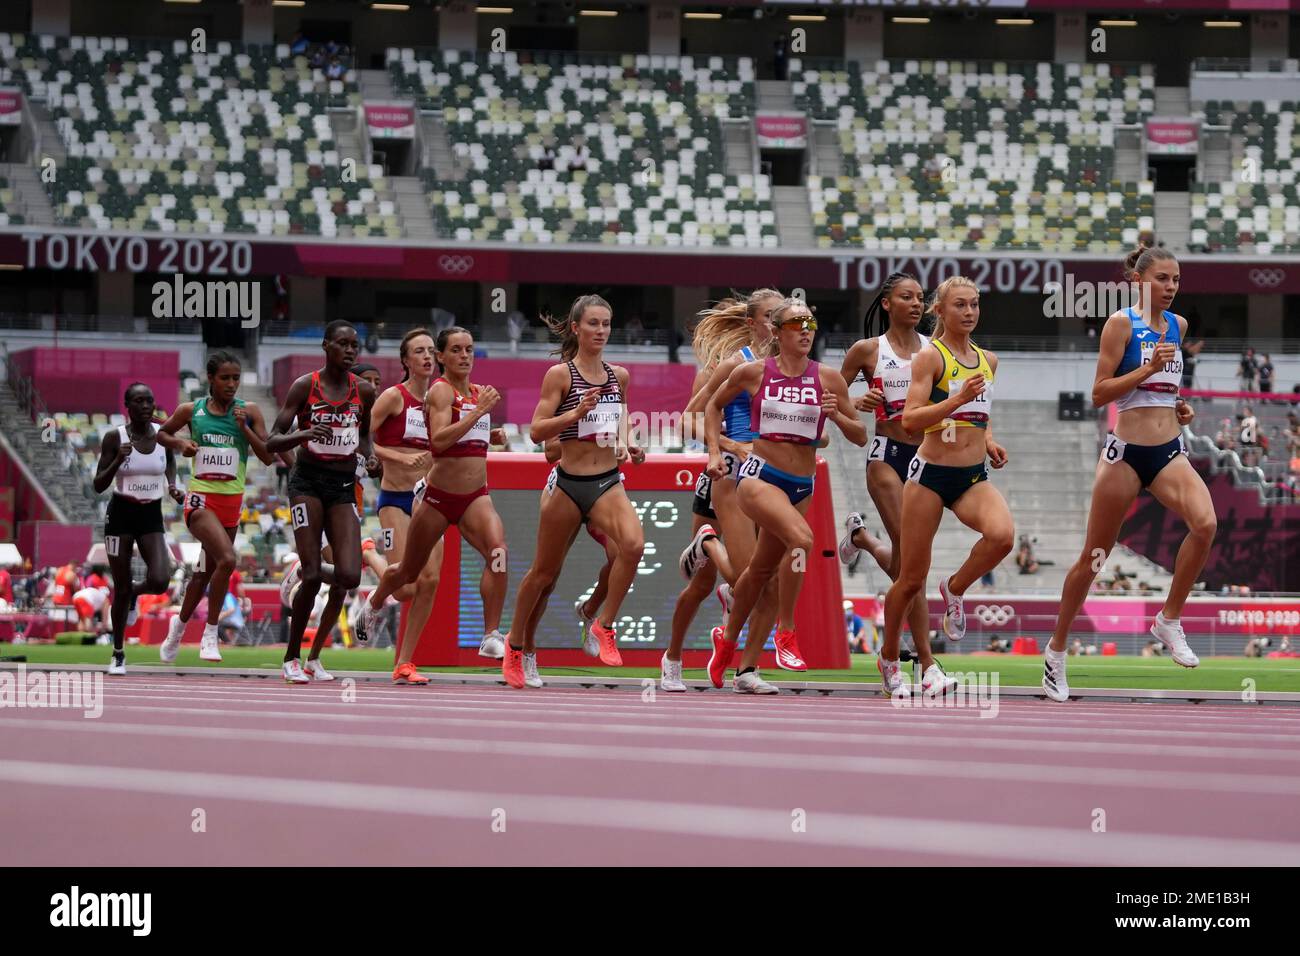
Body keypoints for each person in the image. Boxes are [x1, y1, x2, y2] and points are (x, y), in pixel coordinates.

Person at [1043, 245, 1213, 702]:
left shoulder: (1177, 326)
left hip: (1167, 452)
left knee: (1206, 523)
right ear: (1139, 281)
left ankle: (1169, 620)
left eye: (1176, 279)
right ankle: (1056, 652)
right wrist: (1146, 369)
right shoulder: (1120, 324)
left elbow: (1165, 389)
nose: (1171, 287)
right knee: (1093, 560)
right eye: (1162, 278)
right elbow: (1100, 394)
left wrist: (1179, 405)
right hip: (1124, 455)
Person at [705, 296, 867, 693]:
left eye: (810, 323)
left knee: (760, 574)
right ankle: (787, 632)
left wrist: (838, 414)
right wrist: (715, 450)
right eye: (796, 324)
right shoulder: (752, 371)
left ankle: (733, 655)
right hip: (759, 477)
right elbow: (710, 406)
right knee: (802, 540)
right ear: (776, 334)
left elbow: (860, 435)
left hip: (801, 485)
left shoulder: (828, 379)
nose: (806, 331)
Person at [878, 276, 1013, 700]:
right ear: (942, 310)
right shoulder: (929, 358)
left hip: (971, 476)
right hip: (930, 475)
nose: (970, 312)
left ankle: (954, 589)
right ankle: (887, 659)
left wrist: (988, 439)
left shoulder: (988, 360)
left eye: (974, 304)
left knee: (1003, 536)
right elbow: (911, 420)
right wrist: (955, 401)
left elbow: (982, 412)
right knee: (910, 578)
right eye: (960, 305)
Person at [503, 294, 646, 689]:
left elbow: (620, 416)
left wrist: (627, 443)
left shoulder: (620, 375)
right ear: (576, 328)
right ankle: (517, 647)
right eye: (594, 324)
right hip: (568, 484)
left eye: (606, 324)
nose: (601, 331)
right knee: (543, 576)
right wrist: (575, 414)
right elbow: (536, 432)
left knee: (633, 546)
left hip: (606, 483)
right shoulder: (561, 375)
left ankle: (603, 625)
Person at [355, 327, 510, 675]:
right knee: (408, 580)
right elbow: (436, 443)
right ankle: (374, 589)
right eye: (455, 350)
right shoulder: (421, 395)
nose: (465, 355)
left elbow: (464, 438)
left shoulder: (475, 393)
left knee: (491, 555)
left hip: (473, 496)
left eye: (470, 349)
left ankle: (485, 637)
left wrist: (491, 432)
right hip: (417, 497)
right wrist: (392, 457)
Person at [663, 289, 782, 692]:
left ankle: (746, 670)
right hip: (724, 477)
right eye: (770, 316)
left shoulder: (793, 369)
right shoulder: (728, 366)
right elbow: (689, 421)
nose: (778, 323)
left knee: (769, 586)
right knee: (703, 585)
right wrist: (729, 445)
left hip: (769, 480)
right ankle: (673, 659)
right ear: (752, 322)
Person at [267, 320, 380, 684]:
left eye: (355, 346)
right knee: (315, 577)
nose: (350, 351)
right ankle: (291, 658)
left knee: (348, 576)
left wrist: (372, 457)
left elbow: (363, 439)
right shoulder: (305, 386)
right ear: (326, 346)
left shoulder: (364, 391)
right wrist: (304, 433)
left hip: (343, 485)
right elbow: (272, 441)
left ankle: (305, 572)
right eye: (343, 344)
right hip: (307, 484)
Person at [837, 271, 934, 666]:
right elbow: (830, 392)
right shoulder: (866, 350)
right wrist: (858, 401)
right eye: (906, 297)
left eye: (920, 298)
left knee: (905, 563)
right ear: (887, 303)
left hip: (926, 458)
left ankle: (861, 539)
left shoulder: (935, 349)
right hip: (885, 456)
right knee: (913, 561)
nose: (916, 304)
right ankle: (926, 662)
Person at [157, 351, 278, 664]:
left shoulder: (247, 411)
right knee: (227, 558)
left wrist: (246, 429)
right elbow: (162, 434)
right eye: (225, 378)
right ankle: (211, 633)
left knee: (203, 573)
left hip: (232, 503)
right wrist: (181, 444)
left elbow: (267, 456)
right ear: (210, 379)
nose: (231, 384)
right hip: (201, 500)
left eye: (236, 378)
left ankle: (177, 629)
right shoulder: (191, 410)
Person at [363, 333, 460, 684]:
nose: (427, 357)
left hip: (430, 500)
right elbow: (364, 439)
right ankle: (370, 557)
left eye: (430, 352)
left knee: (430, 581)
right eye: (418, 352)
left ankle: (405, 662)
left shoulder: (442, 397)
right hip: (395, 499)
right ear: (405, 360)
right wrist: (399, 456)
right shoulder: (393, 397)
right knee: (404, 588)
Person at [93, 383, 185, 675]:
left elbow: (169, 462)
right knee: (119, 587)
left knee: (160, 580)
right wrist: (118, 459)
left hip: (150, 514)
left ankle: (135, 593)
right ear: (128, 407)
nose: (146, 406)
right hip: (120, 515)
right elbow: (98, 485)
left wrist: (172, 485)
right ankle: (118, 652)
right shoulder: (114, 438)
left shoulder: (162, 435)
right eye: (139, 401)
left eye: (150, 401)